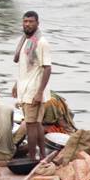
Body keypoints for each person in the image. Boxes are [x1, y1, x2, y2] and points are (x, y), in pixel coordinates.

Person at [13, 10, 53, 165]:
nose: (27, 24)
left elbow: (47, 68)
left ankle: (31, 159)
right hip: (25, 89)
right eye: (25, 21)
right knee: (36, 124)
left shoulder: (41, 42)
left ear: (37, 23)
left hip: (34, 92)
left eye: (31, 22)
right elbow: (23, 65)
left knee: (31, 125)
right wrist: (17, 84)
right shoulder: (27, 41)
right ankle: (42, 155)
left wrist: (40, 92)